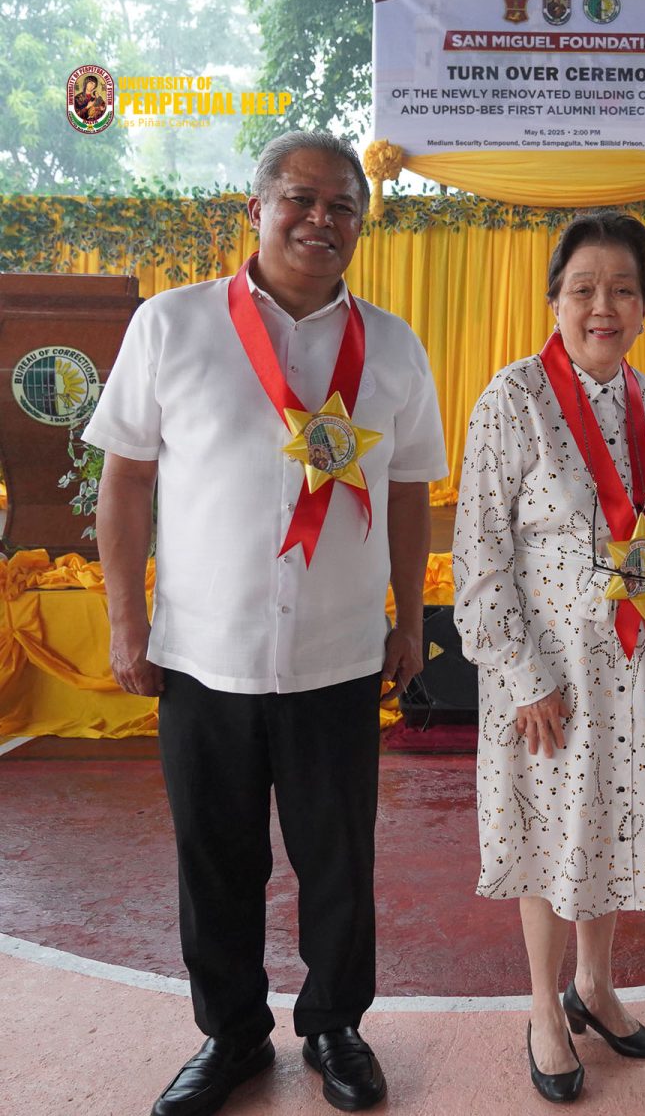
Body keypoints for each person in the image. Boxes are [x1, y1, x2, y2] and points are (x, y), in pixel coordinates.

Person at [86, 130, 448, 1116]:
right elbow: (124, 484)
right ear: (257, 208)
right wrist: (128, 623)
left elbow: (411, 488)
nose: (320, 219)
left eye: (343, 207)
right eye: (300, 199)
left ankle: (334, 1023)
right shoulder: (173, 325)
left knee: (339, 857)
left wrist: (409, 618)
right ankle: (234, 1033)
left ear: (362, 227)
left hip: (337, 656)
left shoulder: (395, 346)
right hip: (202, 656)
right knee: (217, 856)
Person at [453, 213, 645, 1105]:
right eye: (583, 287)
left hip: (632, 668)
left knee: (609, 826)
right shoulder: (512, 398)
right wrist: (522, 676)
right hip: (546, 680)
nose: (602, 306)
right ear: (555, 299)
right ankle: (544, 1007)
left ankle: (596, 983)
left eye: (623, 288)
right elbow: (480, 553)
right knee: (547, 838)